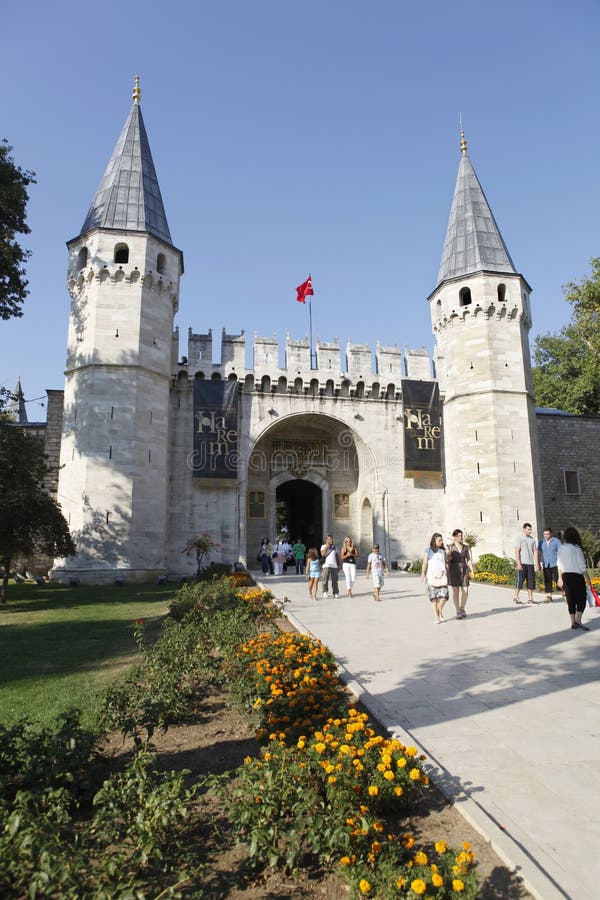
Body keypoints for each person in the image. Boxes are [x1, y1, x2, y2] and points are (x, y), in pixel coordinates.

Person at [557, 527, 592, 632]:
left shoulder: (561, 547)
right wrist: (588, 580)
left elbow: (559, 564)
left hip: (566, 576)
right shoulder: (576, 548)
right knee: (581, 599)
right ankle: (578, 620)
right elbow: (582, 566)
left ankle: (573, 622)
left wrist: (560, 578)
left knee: (570, 599)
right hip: (577, 576)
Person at [421, 533, 449, 623]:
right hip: (431, 576)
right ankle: (437, 617)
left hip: (442, 576)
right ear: (434, 541)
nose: (441, 542)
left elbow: (445, 563)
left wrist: (449, 554)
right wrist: (422, 573)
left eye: (441, 540)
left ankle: (439, 610)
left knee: (444, 596)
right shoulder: (428, 550)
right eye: (439, 540)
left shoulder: (443, 551)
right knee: (434, 598)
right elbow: (425, 562)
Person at [447, 529, 474, 619]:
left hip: (464, 569)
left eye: (461, 536)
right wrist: (449, 554)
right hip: (454, 570)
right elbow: (447, 559)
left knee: (465, 590)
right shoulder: (450, 547)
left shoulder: (466, 547)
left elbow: (468, 560)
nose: (460, 537)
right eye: (458, 536)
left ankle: (462, 608)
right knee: (456, 591)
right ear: (454, 537)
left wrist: (472, 570)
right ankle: (458, 610)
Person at [513, 522, 539, 605]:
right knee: (520, 581)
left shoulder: (532, 540)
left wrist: (537, 563)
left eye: (530, 529)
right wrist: (518, 563)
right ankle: (516, 597)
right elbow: (517, 551)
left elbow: (535, 551)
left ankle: (530, 599)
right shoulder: (519, 538)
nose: (530, 531)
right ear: (524, 529)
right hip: (522, 563)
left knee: (531, 582)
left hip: (530, 563)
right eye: (528, 529)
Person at [538, 527, 561, 602]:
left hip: (555, 563)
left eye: (547, 534)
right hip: (546, 564)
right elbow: (538, 553)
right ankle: (549, 596)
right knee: (547, 580)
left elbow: (561, 552)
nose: (546, 536)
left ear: (551, 534)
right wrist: (538, 563)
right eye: (544, 534)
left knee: (558, 578)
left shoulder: (556, 541)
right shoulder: (541, 542)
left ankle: (564, 593)